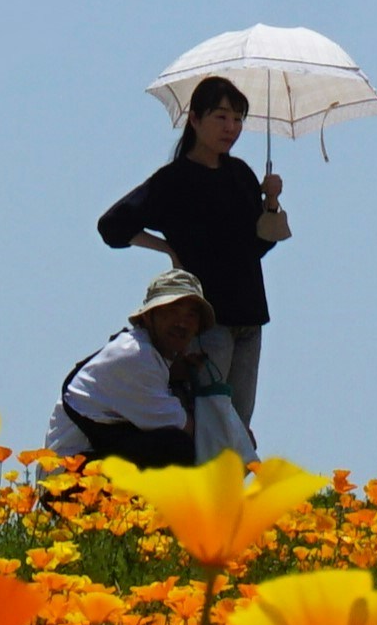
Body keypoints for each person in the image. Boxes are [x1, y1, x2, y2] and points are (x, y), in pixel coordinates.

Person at [99, 77, 288, 444]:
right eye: (221, 117)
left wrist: (271, 203)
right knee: (209, 422)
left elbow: (257, 247)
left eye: (237, 119)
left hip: (250, 316)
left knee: (237, 424)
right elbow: (112, 226)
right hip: (207, 319)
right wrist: (168, 249)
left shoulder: (241, 175)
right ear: (196, 120)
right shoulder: (174, 180)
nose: (231, 128)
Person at [43, 268, 215, 467]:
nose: (181, 323)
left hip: (89, 464)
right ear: (148, 317)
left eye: (191, 316)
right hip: (66, 480)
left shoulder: (150, 356)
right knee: (176, 448)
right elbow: (190, 430)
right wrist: (232, 431)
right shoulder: (137, 356)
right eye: (171, 311)